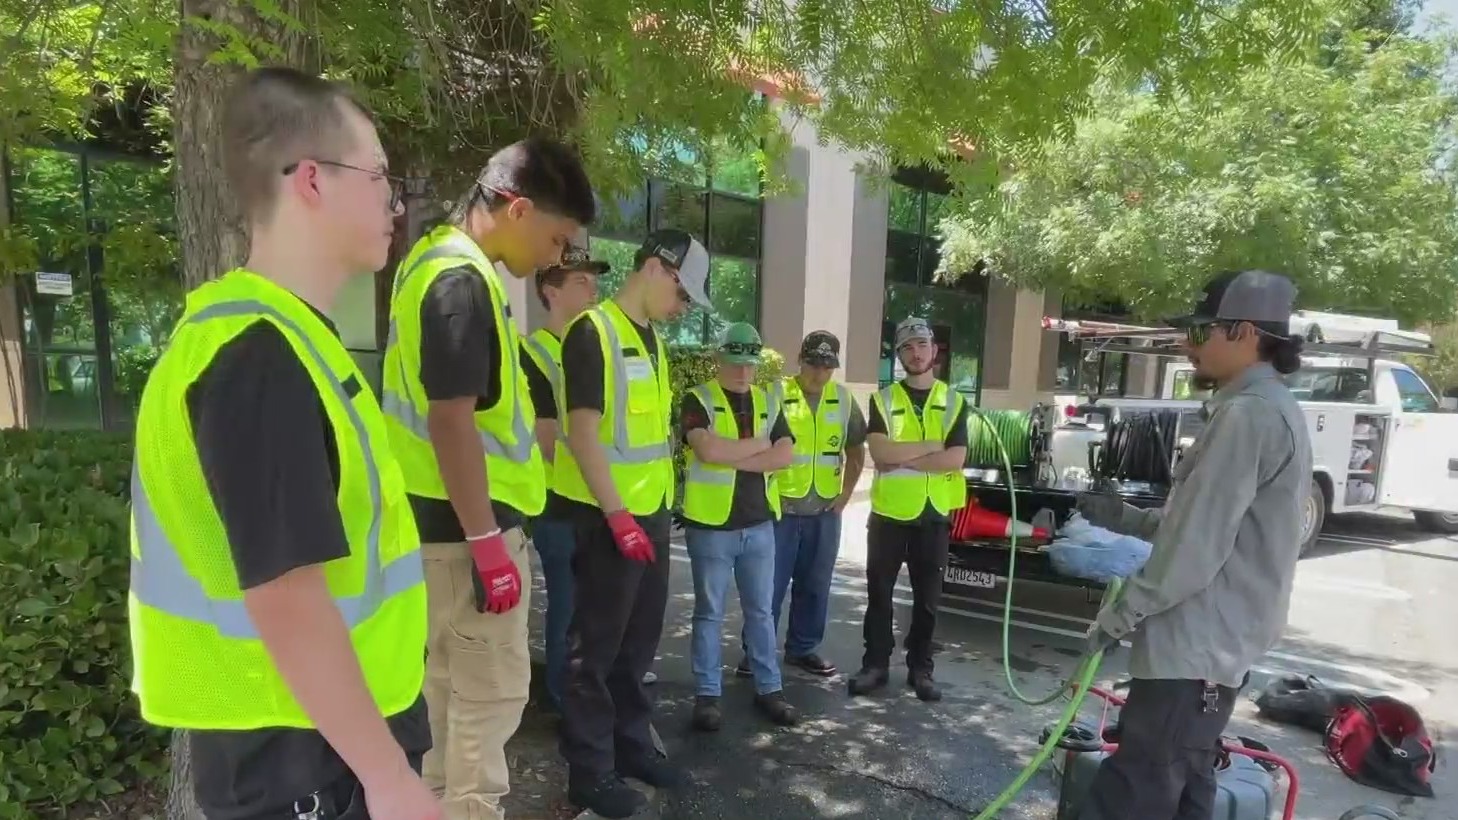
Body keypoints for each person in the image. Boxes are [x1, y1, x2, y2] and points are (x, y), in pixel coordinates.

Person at [127, 67, 440, 820]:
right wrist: (388, 777)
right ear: (312, 181)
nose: (395, 204)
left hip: (316, 750)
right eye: (380, 176)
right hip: (306, 764)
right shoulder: (258, 357)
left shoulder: (287, 342)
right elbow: (287, 597)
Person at [380, 137, 594, 820]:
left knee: (445, 710)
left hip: (438, 538)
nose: (558, 257)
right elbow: (451, 421)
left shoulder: (431, 262)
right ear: (518, 209)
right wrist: (488, 546)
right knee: (482, 711)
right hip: (467, 543)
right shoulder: (461, 283)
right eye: (557, 239)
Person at [1074, 270, 1312, 820]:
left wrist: (1116, 619)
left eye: (1203, 331)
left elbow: (1192, 554)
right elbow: (1204, 529)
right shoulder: (1268, 407)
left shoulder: (1248, 416)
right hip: (1208, 656)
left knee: (1133, 795)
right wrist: (1127, 518)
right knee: (1186, 787)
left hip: (1193, 654)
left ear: (1245, 332)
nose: (1188, 343)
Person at [554, 228, 707, 817]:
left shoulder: (653, 342)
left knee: (637, 646)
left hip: (650, 516)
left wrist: (651, 515)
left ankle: (631, 746)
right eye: (683, 291)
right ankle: (590, 773)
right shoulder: (592, 333)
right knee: (593, 652)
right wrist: (619, 518)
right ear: (654, 268)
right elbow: (583, 435)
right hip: (607, 520)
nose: (684, 306)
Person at [681, 322, 801, 731]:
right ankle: (707, 695)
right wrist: (759, 446)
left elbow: (784, 455)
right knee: (709, 614)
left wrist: (733, 456)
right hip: (711, 526)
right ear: (719, 359)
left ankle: (770, 689)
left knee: (762, 612)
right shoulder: (698, 398)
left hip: (759, 525)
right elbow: (707, 450)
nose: (743, 372)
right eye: (735, 363)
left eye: (749, 364)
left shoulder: (768, 400)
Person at [849, 317, 970, 703]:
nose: (915, 353)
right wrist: (931, 446)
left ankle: (921, 668)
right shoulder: (882, 400)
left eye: (922, 345)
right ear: (899, 355)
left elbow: (955, 458)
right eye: (907, 347)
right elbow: (879, 452)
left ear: (934, 350)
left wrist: (904, 458)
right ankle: (875, 665)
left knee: (927, 600)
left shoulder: (954, 401)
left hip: (933, 514)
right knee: (879, 595)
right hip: (889, 514)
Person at [734, 330, 865, 679]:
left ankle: (803, 648)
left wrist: (845, 496)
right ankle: (756, 651)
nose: (819, 373)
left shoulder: (843, 400)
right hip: (780, 512)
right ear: (800, 360)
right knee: (767, 587)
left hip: (825, 513)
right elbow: (753, 446)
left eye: (827, 366)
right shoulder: (775, 394)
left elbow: (856, 451)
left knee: (815, 585)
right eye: (813, 364)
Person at [519, 243, 606, 712]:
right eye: (580, 281)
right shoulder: (532, 354)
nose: (594, 290)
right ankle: (562, 696)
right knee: (568, 604)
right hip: (559, 505)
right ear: (550, 292)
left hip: (598, 499)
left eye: (594, 281)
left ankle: (588, 686)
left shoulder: (597, 344)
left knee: (597, 603)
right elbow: (547, 439)